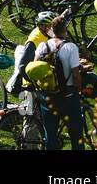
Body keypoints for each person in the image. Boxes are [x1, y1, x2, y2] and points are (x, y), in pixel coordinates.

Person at [35, 15, 84, 150]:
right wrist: (79, 91)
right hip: (67, 96)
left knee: (50, 134)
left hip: (48, 96)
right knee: (76, 133)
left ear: (52, 29)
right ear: (65, 30)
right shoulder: (71, 47)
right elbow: (76, 74)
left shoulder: (42, 46)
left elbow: (35, 67)